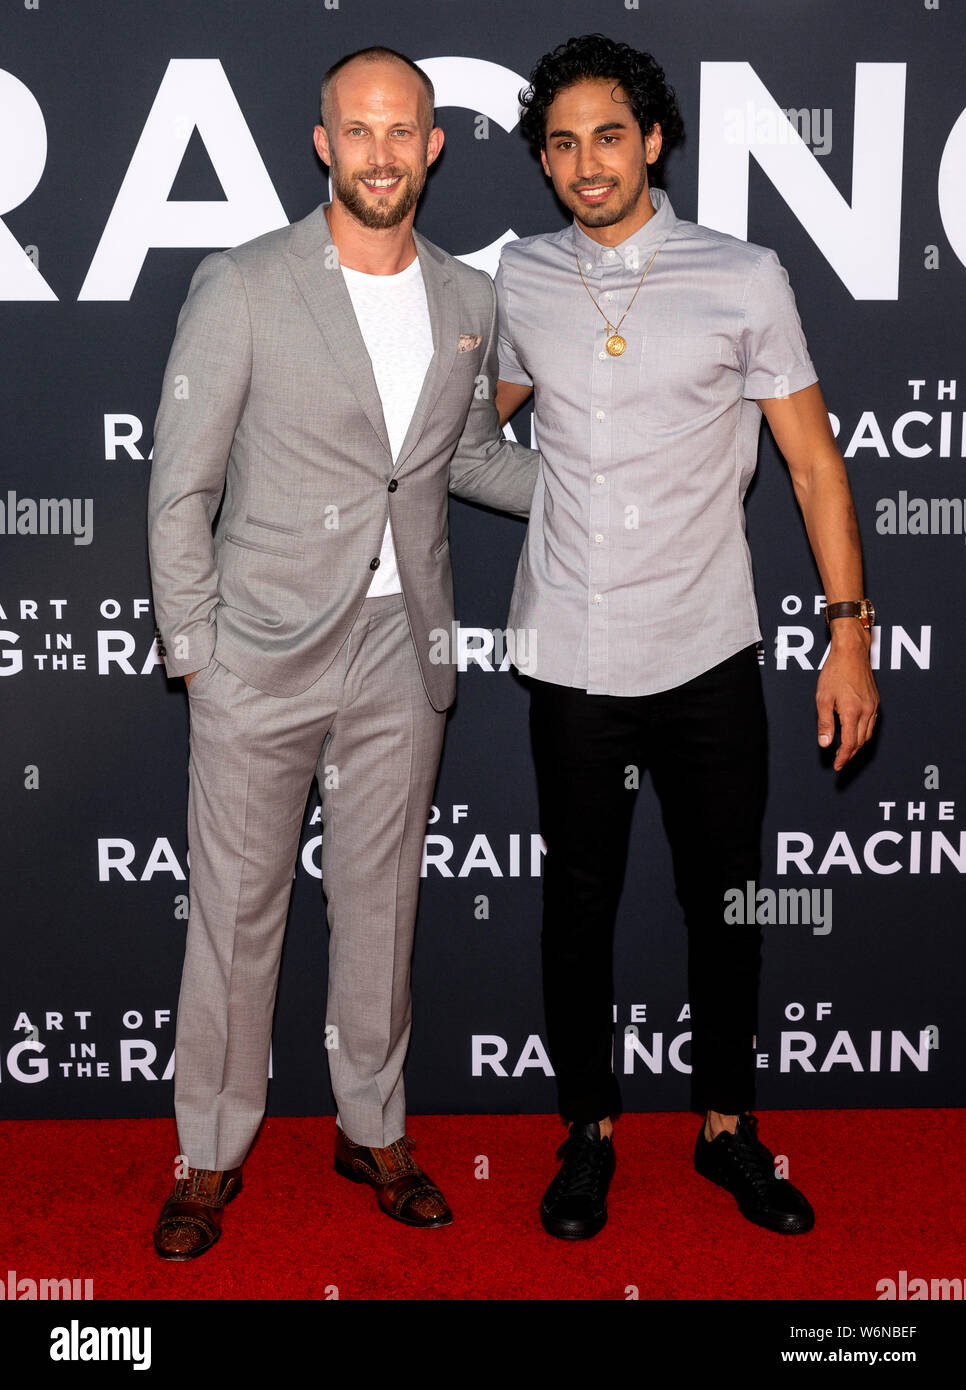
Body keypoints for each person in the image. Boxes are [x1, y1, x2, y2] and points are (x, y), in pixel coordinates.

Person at [147, 45, 537, 1259]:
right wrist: (197, 654)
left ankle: (373, 1127)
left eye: (402, 130)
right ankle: (209, 1149)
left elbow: (464, 460)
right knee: (236, 911)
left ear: (433, 145)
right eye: (355, 130)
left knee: (381, 907)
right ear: (324, 143)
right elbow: (177, 489)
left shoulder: (471, 300)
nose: (379, 152)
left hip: (397, 648)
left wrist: (615, 486)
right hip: (258, 647)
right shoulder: (246, 282)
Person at [494, 34, 878, 1240]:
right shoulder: (519, 282)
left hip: (708, 650)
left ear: (653, 139)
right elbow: (452, 436)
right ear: (545, 163)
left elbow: (814, 466)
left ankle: (728, 1129)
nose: (587, 162)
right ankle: (587, 1132)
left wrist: (851, 633)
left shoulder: (744, 274)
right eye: (562, 143)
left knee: (728, 905)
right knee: (579, 907)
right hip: (571, 657)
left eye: (609, 135)